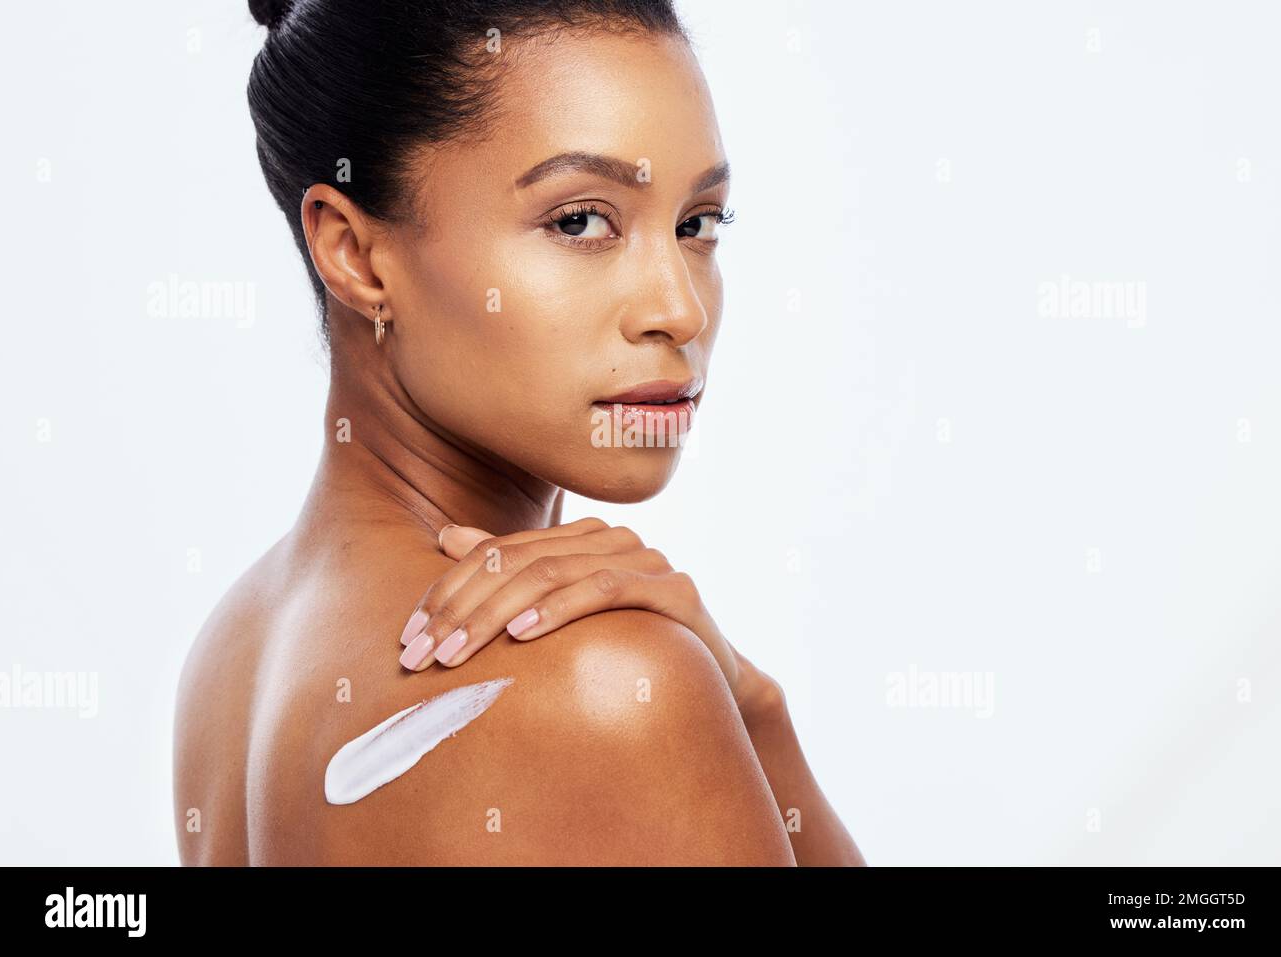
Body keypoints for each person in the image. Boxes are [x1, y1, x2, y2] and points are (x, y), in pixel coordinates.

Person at [173, 0, 865, 866]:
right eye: (580, 220)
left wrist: (755, 705)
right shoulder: (606, 679)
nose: (679, 309)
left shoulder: (234, 652)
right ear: (354, 252)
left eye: (697, 225)